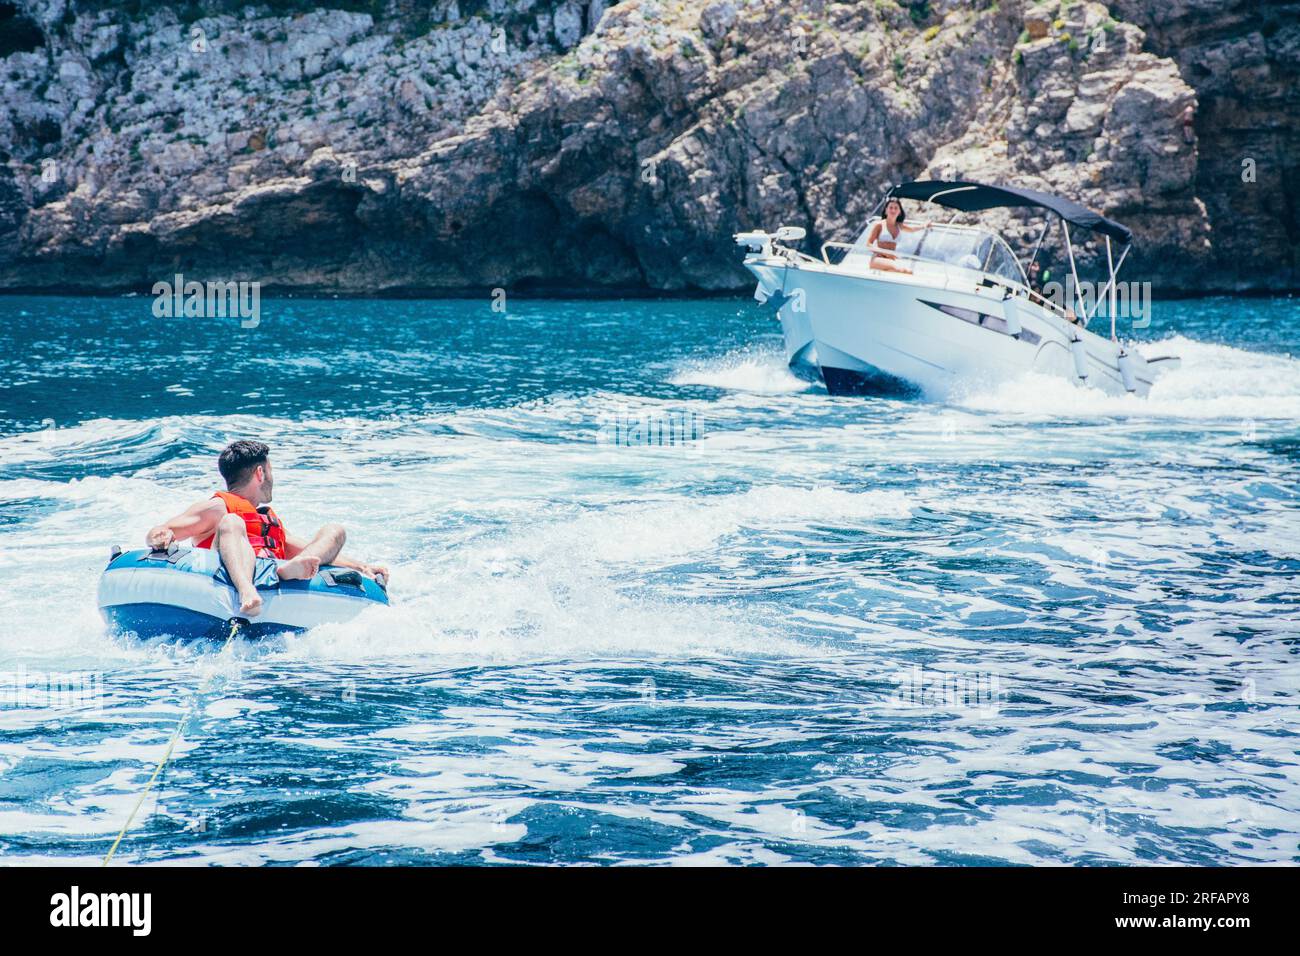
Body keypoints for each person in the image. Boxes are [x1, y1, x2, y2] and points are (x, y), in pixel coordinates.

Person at [145, 440, 388, 617]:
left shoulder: (268, 519)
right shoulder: (217, 508)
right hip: (231, 575)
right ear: (260, 473)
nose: (272, 478)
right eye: (270, 471)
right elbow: (165, 530)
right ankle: (247, 590)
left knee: (335, 531)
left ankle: (285, 573)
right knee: (232, 522)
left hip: (275, 571)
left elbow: (307, 549)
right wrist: (161, 534)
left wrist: (360, 566)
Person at [867, 198, 930, 274]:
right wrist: (886, 253)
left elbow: (912, 229)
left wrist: (924, 225)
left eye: (896, 208)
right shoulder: (879, 225)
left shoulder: (899, 226)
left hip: (891, 260)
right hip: (878, 259)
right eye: (890, 208)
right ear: (886, 210)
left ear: (899, 212)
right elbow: (869, 244)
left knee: (907, 272)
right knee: (907, 271)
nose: (893, 210)